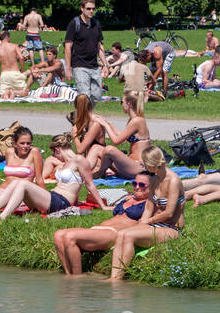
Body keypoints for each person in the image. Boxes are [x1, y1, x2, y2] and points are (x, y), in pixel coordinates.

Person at [55, 169, 157, 275]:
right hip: (98, 229)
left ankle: (76, 278)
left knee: (69, 237)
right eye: (134, 183)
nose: (137, 187)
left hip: (112, 232)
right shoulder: (128, 198)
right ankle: (68, 275)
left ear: (152, 186)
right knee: (58, 235)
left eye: (142, 185)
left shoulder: (150, 203)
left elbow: (162, 213)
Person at [108, 146, 185, 281]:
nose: (142, 165)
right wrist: (141, 223)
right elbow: (149, 208)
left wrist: (147, 222)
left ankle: (118, 278)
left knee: (130, 236)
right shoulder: (155, 180)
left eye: (144, 162)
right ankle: (114, 277)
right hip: (155, 224)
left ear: (151, 163)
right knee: (121, 234)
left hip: (171, 228)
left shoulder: (174, 180)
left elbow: (169, 213)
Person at [86, 92, 153, 164]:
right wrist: (107, 122)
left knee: (98, 149)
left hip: (139, 164)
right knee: (98, 152)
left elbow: (116, 141)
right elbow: (123, 137)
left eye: (122, 102)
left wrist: (105, 125)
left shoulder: (136, 121)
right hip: (134, 162)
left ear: (129, 104)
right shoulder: (135, 119)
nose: (121, 105)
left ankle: (83, 171)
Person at [0, 30, 29, 99]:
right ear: (7, 37)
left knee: (2, 95)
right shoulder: (14, 46)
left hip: (4, 75)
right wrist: (22, 69)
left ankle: (7, 93)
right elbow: (21, 58)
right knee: (25, 92)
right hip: (15, 72)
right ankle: (14, 93)